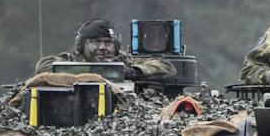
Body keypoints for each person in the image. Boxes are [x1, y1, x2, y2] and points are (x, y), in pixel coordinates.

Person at [35, 18, 178, 84]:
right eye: (96, 42)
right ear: (82, 45)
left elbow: (167, 68)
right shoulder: (72, 60)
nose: (102, 47)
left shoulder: (124, 61)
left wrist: (133, 72)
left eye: (108, 42)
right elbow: (43, 67)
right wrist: (88, 72)